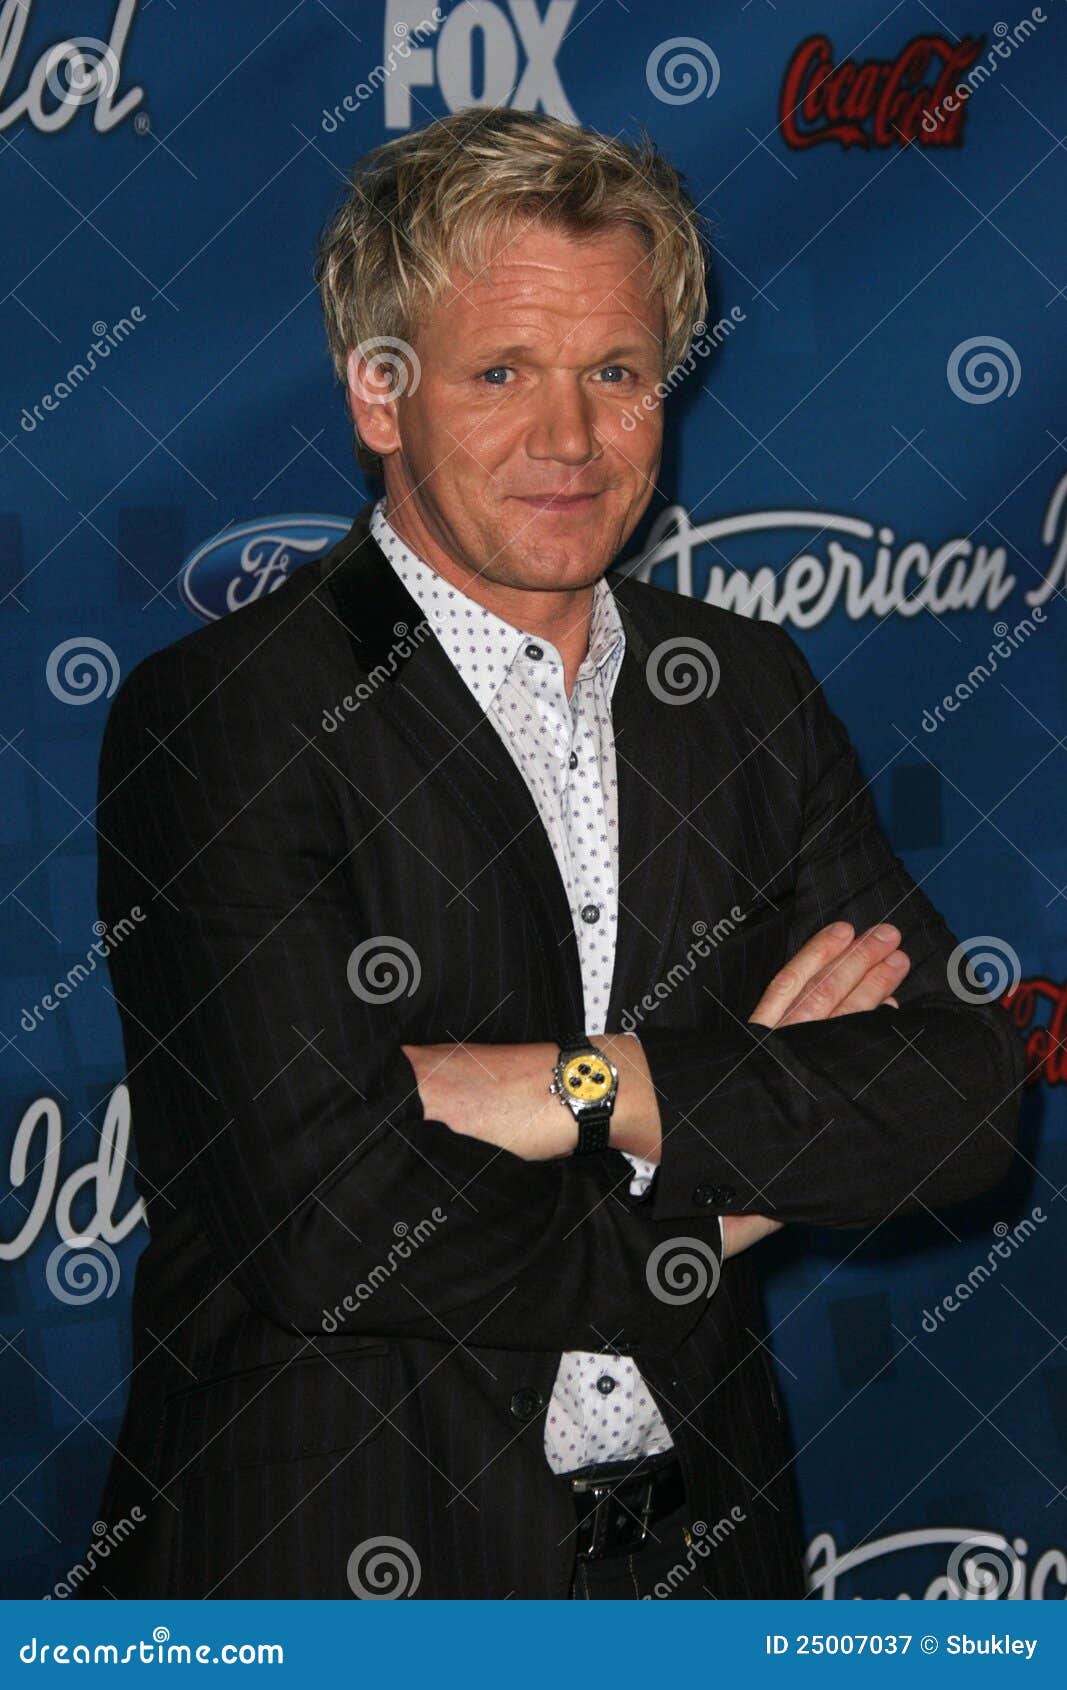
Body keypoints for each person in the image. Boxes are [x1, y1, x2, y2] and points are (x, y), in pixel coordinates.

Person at [82, 108, 1024, 1600]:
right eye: (502, 373)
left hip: (699, 1562)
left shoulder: (743, 689)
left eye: (617, 374)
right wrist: (737, 1171)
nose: (571, 439)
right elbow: (336, 1228)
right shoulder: (231, 715)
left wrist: (575, 1086)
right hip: (340, 1574)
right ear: (380, 398)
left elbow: (963, 1096)